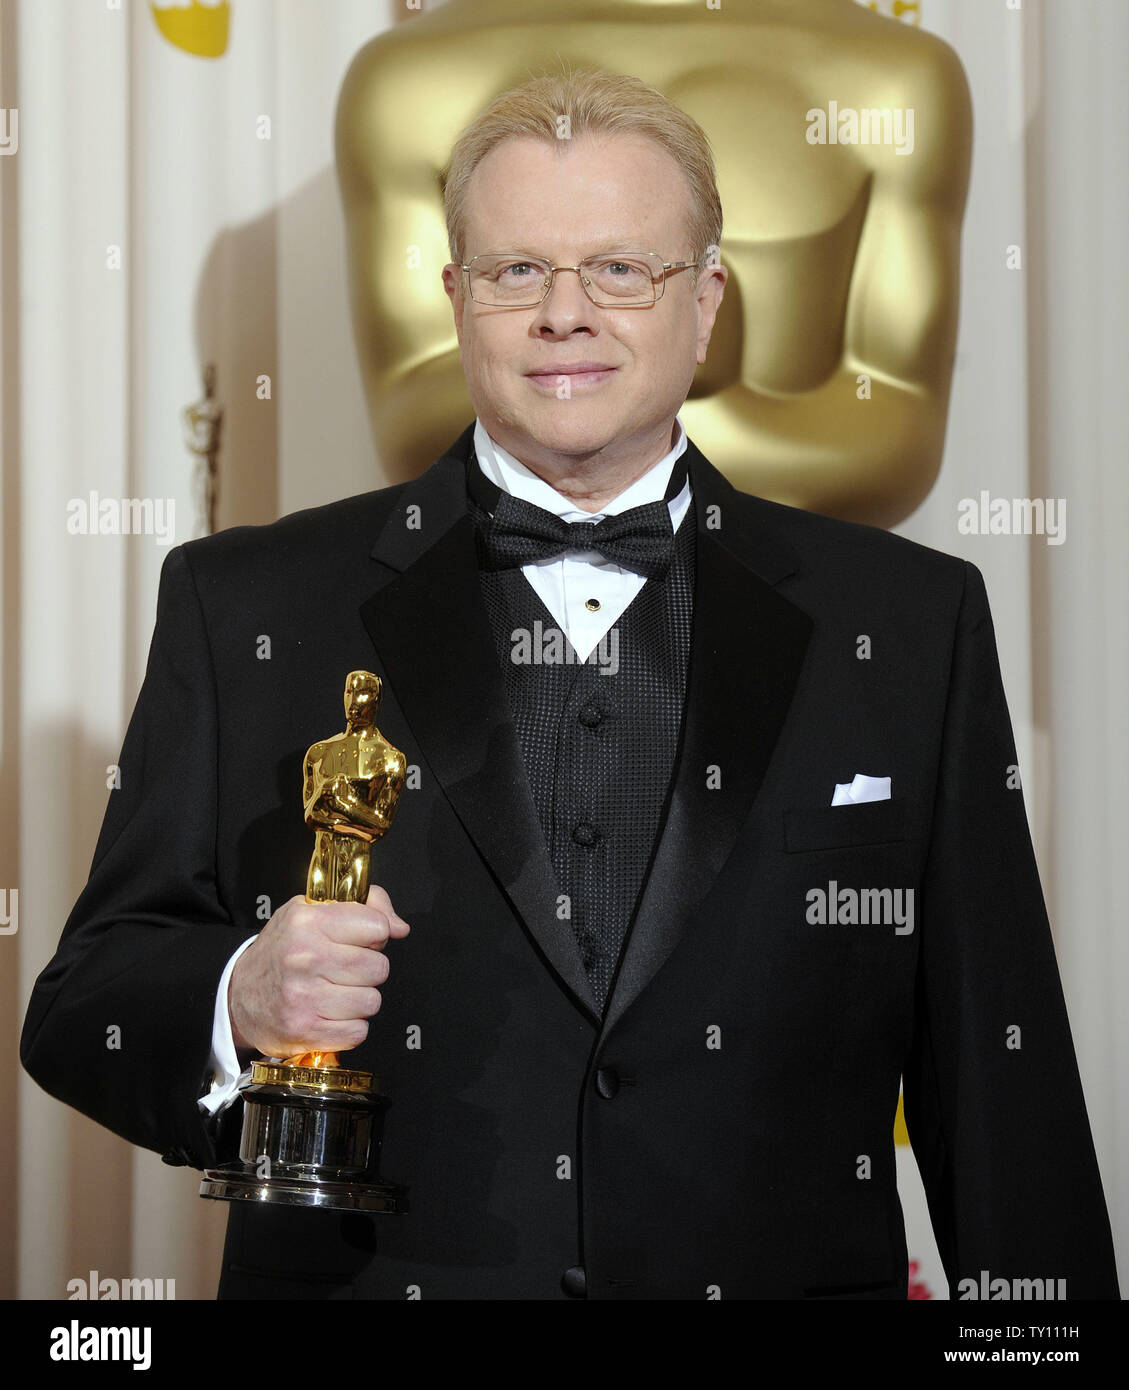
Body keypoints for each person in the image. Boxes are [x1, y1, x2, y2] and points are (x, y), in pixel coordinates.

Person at [22, 69, 1118, 1300]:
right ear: (455, 301)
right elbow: (82, 1008)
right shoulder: (247, 605)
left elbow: (1000, 1082)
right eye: (515, 271)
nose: (564, 315)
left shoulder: (909, 625)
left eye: (619, 269)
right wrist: (239, 995)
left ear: (705, 302)